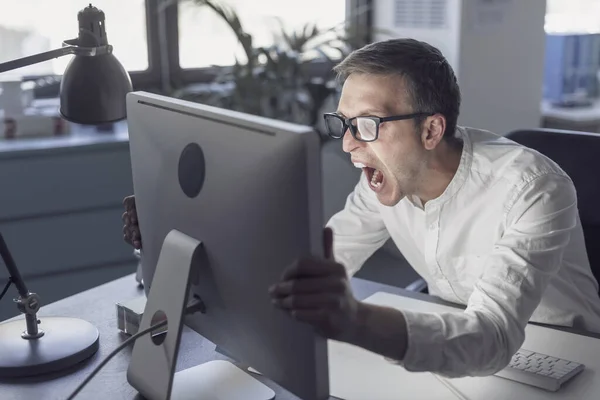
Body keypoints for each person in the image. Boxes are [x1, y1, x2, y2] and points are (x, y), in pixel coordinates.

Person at [123, 38, 600, 378]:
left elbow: (492, 335)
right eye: (344, 123)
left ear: (431, 131)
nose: (349, 145)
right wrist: (179, 243)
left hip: (573, 360)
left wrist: (357, 320)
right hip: (451, 352)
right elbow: (305, 267)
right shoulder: (380, 183)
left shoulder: (533, 188)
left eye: (368, 125)